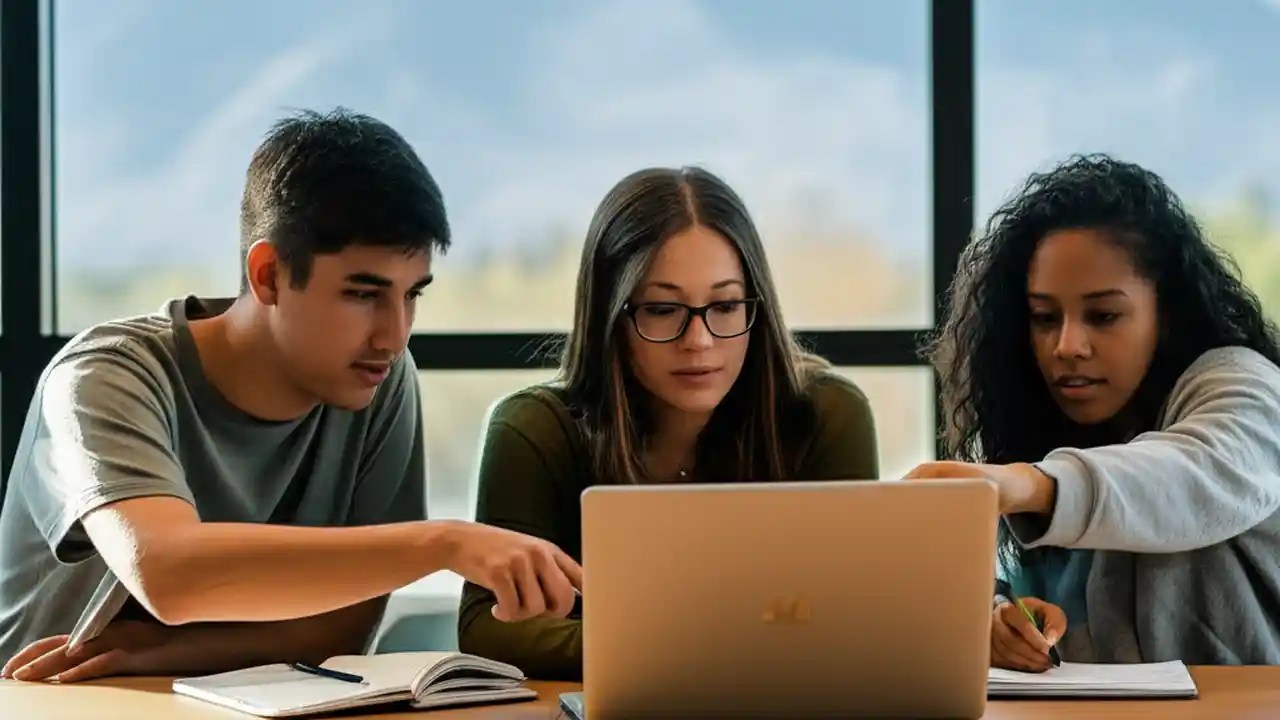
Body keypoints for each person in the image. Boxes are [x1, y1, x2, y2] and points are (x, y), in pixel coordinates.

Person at [0, 108, 580, 683]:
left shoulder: (380, 376)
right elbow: (169, 574)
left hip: (223, 701)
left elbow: (342, 628)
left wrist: (153, 654)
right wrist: (445, 541)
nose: (394, 333)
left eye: (412, 296)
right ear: (270, 274)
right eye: (362, 294)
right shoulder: (105, 376)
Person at [456, 166, 880, 680]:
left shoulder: (825, 414)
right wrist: (697, 647)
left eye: (724, 305)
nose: (699, 341)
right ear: (610, 317)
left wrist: (647, 644)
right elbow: (490, 627)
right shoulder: (534, 429)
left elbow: (855, 617)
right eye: (662, 309)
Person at [907, 154, 1280, 671]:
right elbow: (1053, 636)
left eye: (1103, 316)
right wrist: (1001, 623)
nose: (1067, 345)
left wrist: (1026, 485)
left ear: (1167, 314)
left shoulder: (1241, 384)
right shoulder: (1041, 430)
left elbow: (1196, 476)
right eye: (1043, 318)